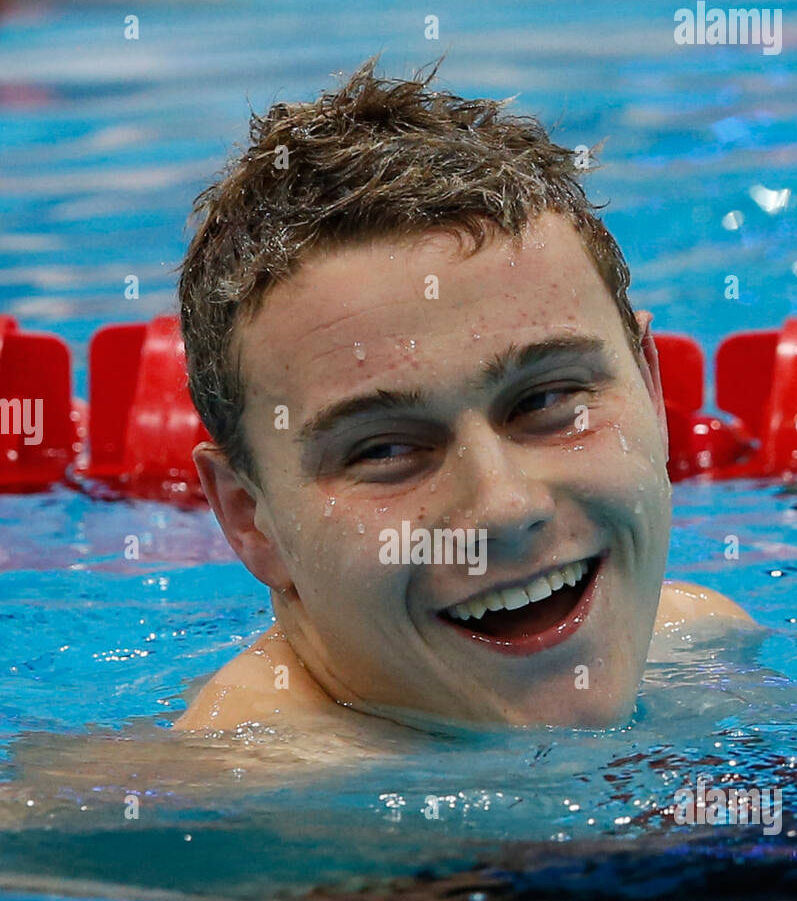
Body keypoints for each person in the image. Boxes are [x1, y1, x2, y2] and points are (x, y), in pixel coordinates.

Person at [175, 58, 751, 740]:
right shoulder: (226, 812)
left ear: (652, 393)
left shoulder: (703, 649)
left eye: (546, 401)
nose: (506, 508)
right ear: (249, 518)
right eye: (385, 450)